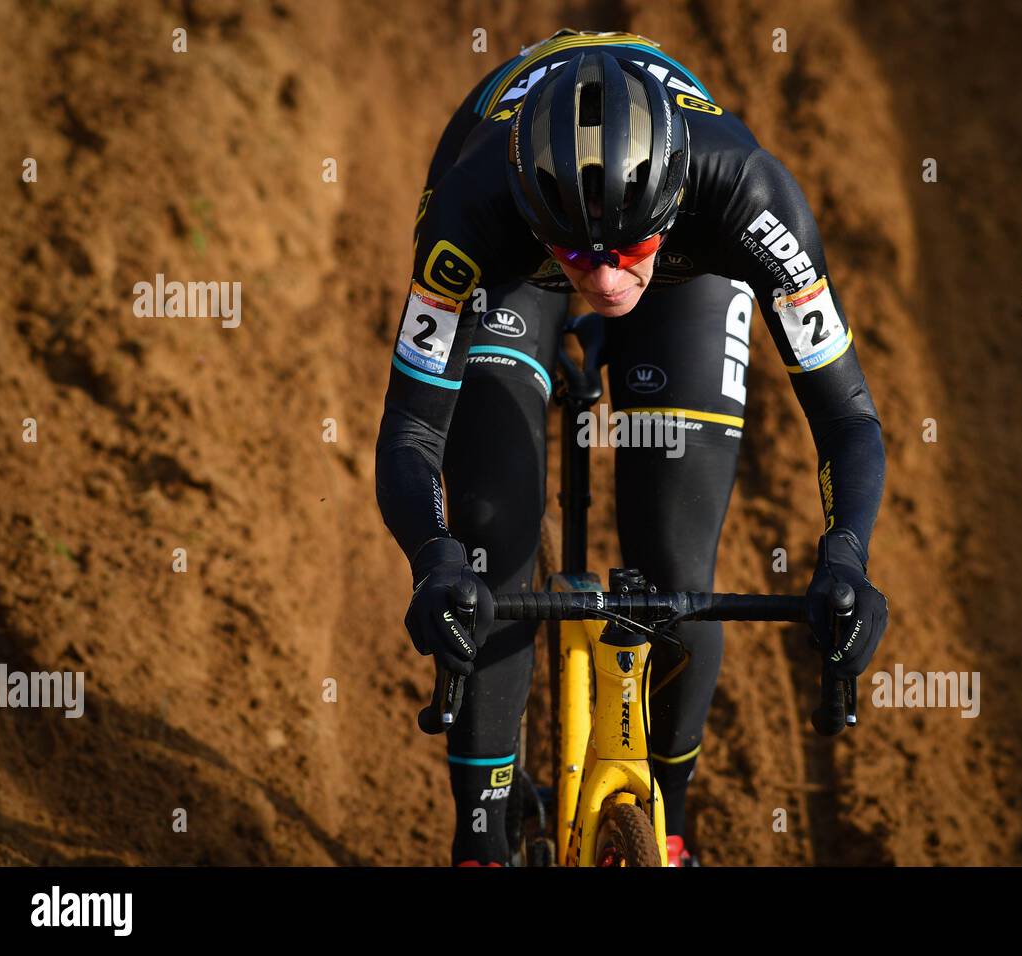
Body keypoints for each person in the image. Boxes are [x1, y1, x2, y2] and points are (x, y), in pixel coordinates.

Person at [376, 29, 888, 867]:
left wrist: (848, 553)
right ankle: (479, 836)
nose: (606, 280)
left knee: (680, 567)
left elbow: (846, 418)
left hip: (691, 272)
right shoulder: (474, 212)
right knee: (486, 542)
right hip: (512, 276)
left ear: (674, 203)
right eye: (579, 253)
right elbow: (413, 429)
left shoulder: (749, 196)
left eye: (630, 248)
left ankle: (670, 822)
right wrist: (433, 557)